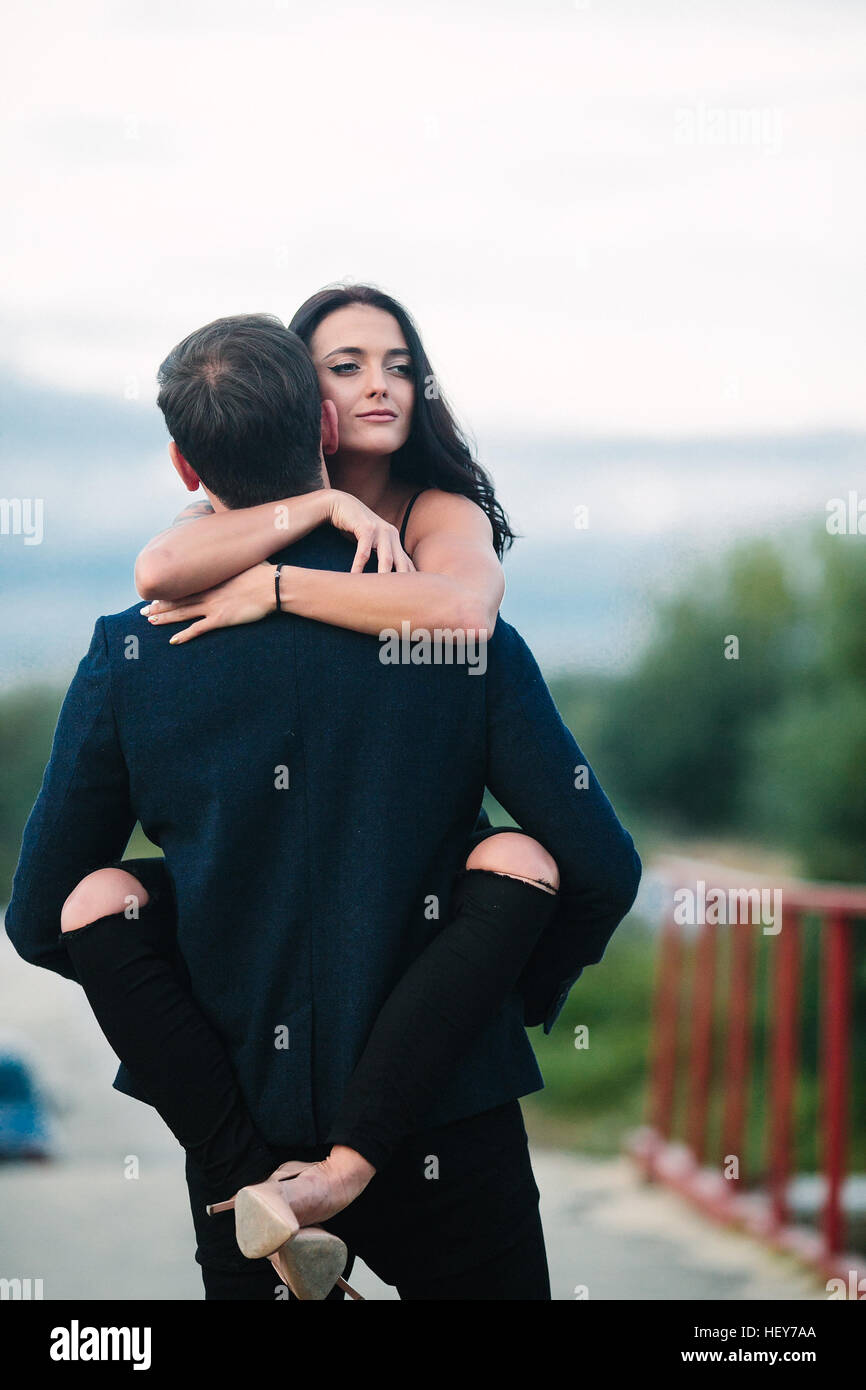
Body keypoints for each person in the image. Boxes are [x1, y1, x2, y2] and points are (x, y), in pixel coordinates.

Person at [5, 312, 641, 1301]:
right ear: (327, 434)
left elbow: (43, 915)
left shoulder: (127, 655)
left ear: (184, 467)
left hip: (243, 1147)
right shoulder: (448, 629)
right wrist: (489, 1001)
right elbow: (601, 867)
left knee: (98, 890)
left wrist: (206, 970)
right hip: (449, 1112)